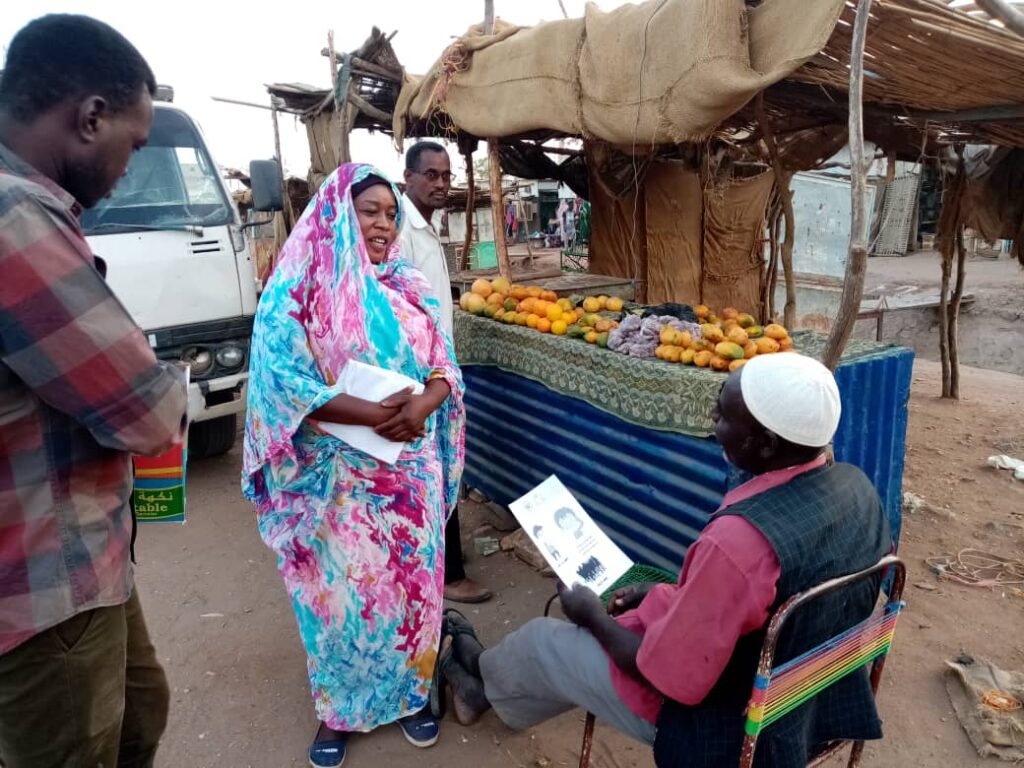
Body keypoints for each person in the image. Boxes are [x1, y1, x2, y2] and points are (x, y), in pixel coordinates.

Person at [440, 354, 893, 767]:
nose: (713, 423)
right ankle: (487, 681)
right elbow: (774, 591)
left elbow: (664, 679)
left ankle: (479, 682)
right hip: (813, 694)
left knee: (543, 642)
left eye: (723, 416)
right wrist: (669, 593)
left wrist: (590, 615)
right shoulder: (857, 488)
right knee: (624, 620)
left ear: (767, 444)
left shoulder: (738, 542)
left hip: (726, 727)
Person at [0, 15, 188, 768]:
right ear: (90, 118)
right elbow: (149, 413)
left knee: (139, 715)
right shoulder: (15, 219)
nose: (128, 168)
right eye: (134, 146)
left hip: (79, 566)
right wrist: (162, 381)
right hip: (45, 587)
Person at [243, 162, 466, 768]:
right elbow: (281, 382)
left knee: (414, 590)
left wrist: (425, 402)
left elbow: (444, 361)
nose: (384, 225)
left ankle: (412, 696)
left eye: (391, 214)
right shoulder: (298, 290)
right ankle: (339, 710)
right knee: (340, 598)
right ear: (339, 214)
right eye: (370, 211)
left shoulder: (409, 284)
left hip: (410, 472)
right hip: (337, 481)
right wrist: (371, 416)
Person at [400, 141, 492, 605]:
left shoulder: (426, 225)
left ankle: (439, 557)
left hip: (438, 370)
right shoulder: (400, 228)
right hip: (420, 374)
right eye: (431, 175)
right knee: (435, 467)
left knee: (443, 466)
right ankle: (449, 575)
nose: (441, 184)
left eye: (446, 175)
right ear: (409, 178)